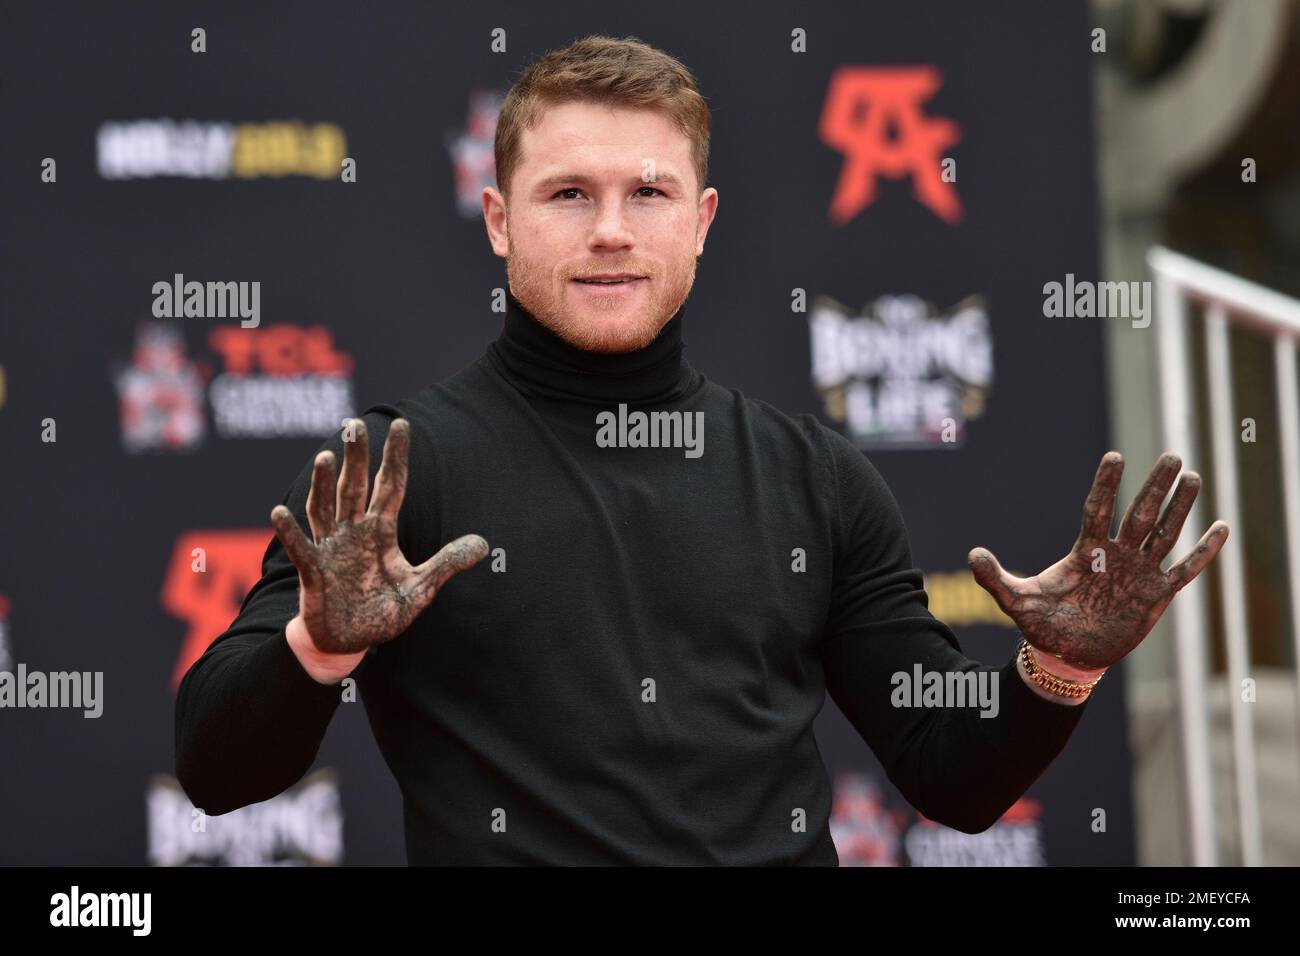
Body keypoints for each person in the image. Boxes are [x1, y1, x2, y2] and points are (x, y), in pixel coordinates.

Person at [174, 35, 1228, 865]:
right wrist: (320, 649)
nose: (611, 231)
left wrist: (1062, 662)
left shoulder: (812, 479)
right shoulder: (396, 476)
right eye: (568, 193)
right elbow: (213, 767)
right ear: (497, 219)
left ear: (702, 219)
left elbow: (953, 776)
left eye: (648, 192)